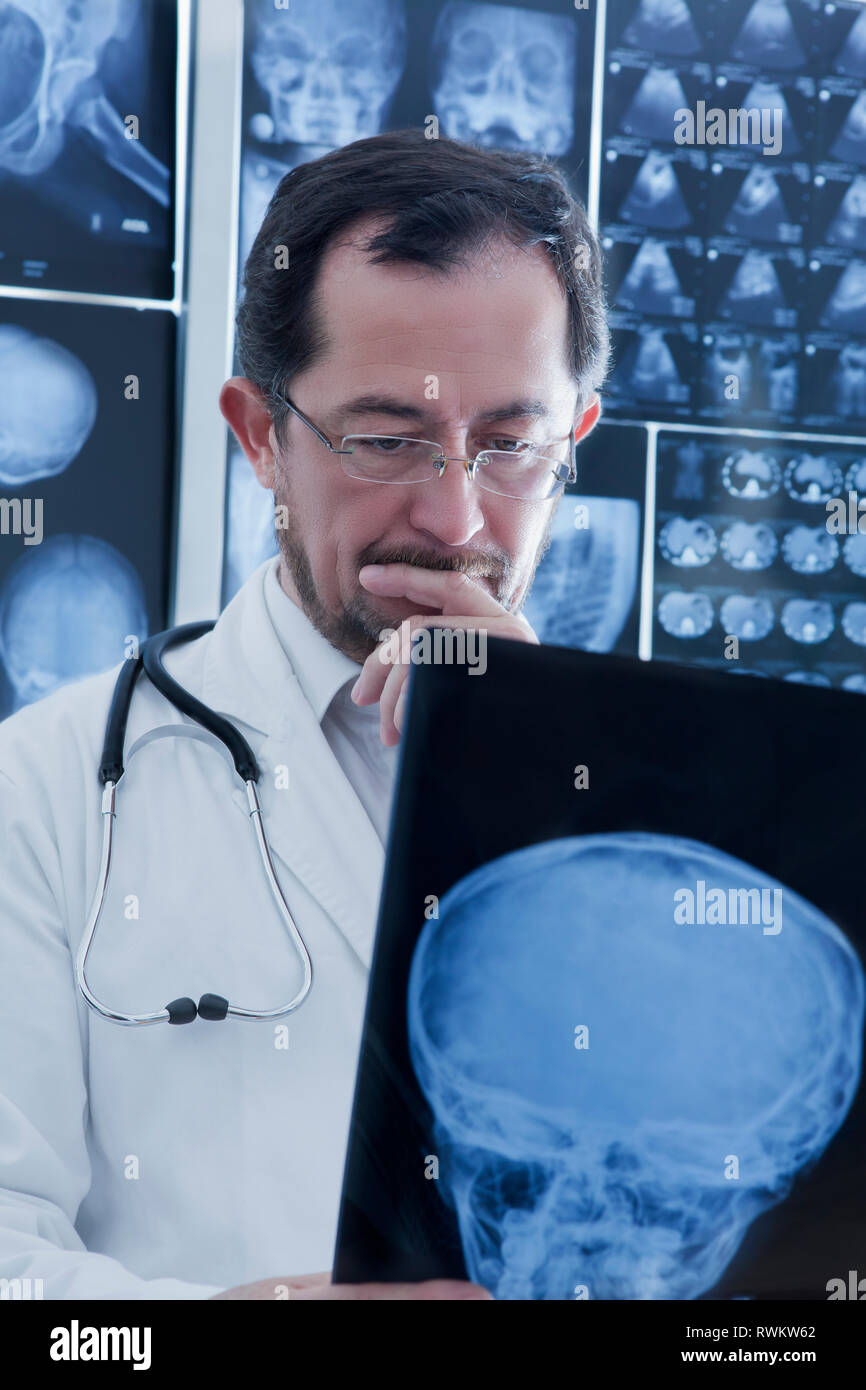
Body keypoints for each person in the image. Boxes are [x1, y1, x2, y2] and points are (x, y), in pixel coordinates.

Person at [0, 130, 606, 1300]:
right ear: (259, 436)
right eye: (387, 441)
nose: (454, 521)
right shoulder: (44, 794)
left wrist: (539, 766)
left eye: (508, 446)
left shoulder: (640, 806)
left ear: (571, 436)